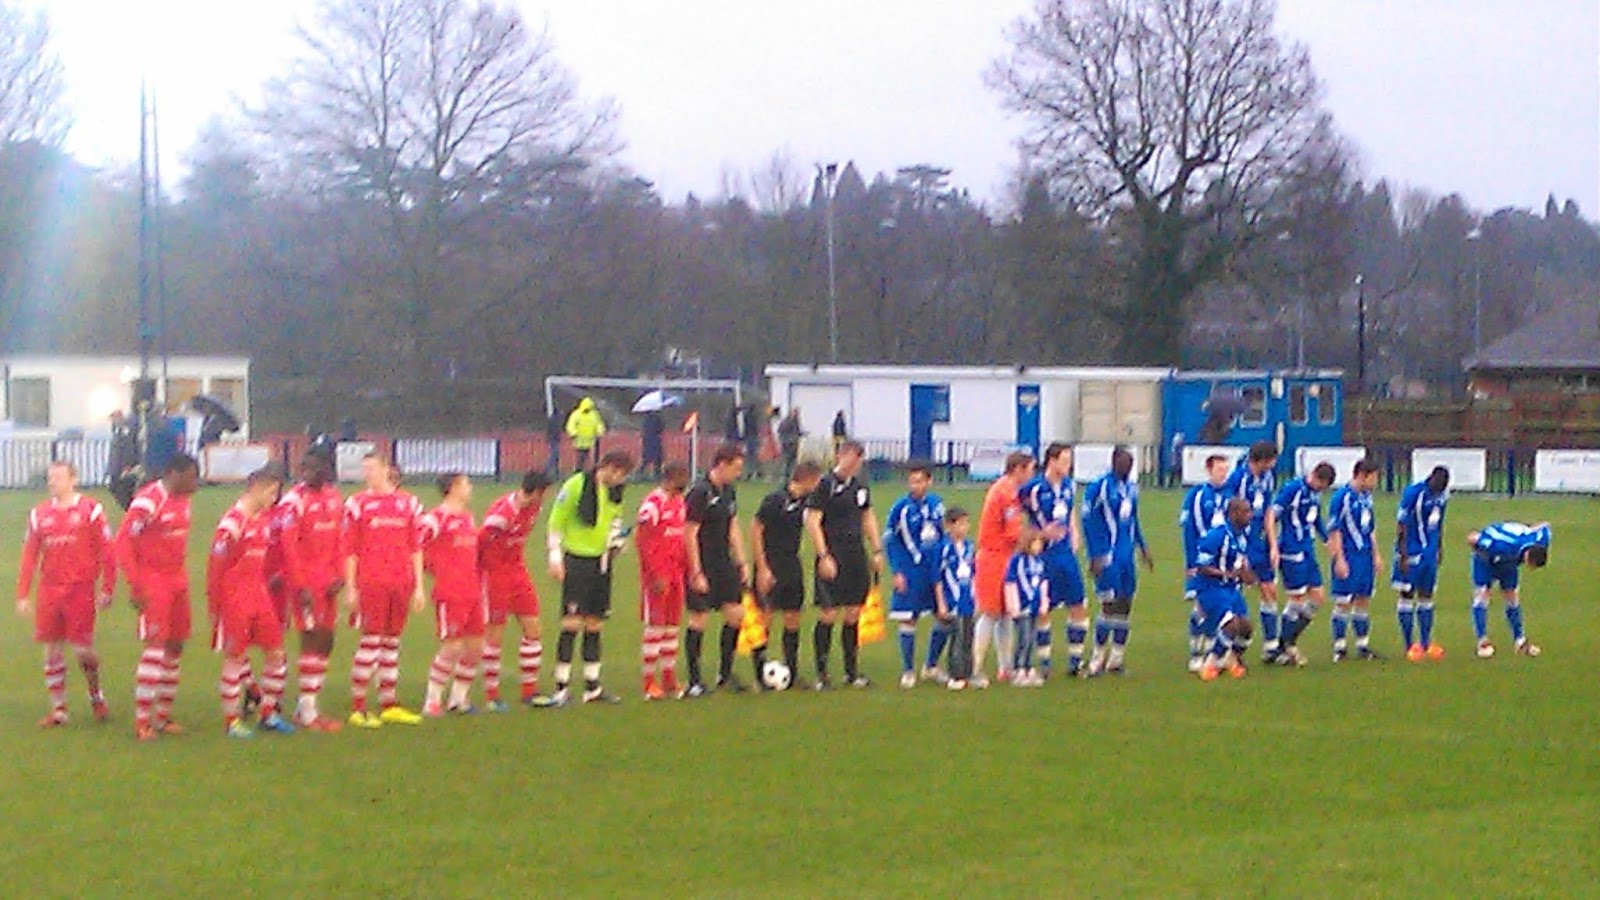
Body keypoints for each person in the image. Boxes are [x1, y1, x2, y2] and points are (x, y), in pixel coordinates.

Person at [16, 461, 115, 728]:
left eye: (58, 477)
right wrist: (22, 594)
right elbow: (29, 555)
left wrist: (108, 587)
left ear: (73, 479)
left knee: (83, 651)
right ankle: (59, 709)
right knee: (52, 649)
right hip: (49, 590)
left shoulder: (91, 510)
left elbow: (107, 550)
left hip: (80, 590)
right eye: (50, 478)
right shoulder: (39, 514)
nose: (52, 482)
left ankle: (96, 695)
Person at [116, 453, 200, 741]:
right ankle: (143, 722)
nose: (196, 483)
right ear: (175, 474)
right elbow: (123, 542)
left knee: (176, 646)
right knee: (156, 645)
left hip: (178, 580)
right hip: (154, 582)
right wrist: (136, 585)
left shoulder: (184, 500)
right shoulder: (149, 501)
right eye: (192, 477)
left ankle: (163, 717)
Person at [208, 467, 295, 738]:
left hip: (259, 594)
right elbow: (216, 567)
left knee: (277, 654)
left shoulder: (263, 519)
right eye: (271, 491)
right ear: (256, 488)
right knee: (235, 657)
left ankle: (268, 714)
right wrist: (215, 606)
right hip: (235, 598)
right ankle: (231, 721)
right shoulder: (232, 523)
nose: (274, 498)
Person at [545, 449, 636, 706]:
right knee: (571, 623)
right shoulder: (576, 484)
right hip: (577, 560)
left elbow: (614, 519)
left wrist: (617, 542)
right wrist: (555, 556)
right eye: (620, 474)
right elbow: (556, 521)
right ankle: (561, 687)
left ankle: (592, 687)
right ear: (609, 467)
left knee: (595, 623)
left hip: (601, 562)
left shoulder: (615, 491)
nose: (621, 480)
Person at [341, 454, 426, 728]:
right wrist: (351, 587)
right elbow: (350, 550)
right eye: (364, 469)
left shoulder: (409, 503)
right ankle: (358, 707)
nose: (367, 474)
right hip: (372, 582)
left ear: (386, 470)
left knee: (392, 642)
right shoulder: (357, 504)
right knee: (370, 642)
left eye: (371, 468)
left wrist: (419, 586)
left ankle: (389, 703)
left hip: (401, 582)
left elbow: (415, 547)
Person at [804, 440, 884, 689]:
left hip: (855, 555)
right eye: (852, 456)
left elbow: (867, 516)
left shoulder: (860, 487)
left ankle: (851, 671)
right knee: (828, 612)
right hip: (833, 554)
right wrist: (823, 555)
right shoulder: (825, 485)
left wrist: (876, 550)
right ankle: (822, 673)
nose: (856, 462)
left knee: (853, 612)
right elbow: (813, 521)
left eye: (859, 457)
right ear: (840, 455)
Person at [277, 449, 346, 731]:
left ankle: (308, 704)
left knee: (327, 639)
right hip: (306, 582)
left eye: (314, 469)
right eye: (304, 469)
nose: (308, 474)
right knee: (311, 637)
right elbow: (288, 547)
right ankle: (307, 712)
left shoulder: (334, 498)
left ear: (326, 469)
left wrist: (340, 574)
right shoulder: (293, 502)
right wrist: (299, 584)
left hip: (328, 580)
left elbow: (340, 539)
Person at [479, 470, 553, 709]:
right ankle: (492, 696)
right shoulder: (501, 516)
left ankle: (529, 692)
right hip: (495, 576)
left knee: (533, 628)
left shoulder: (534, 508)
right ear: (537, 492)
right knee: (495, 635)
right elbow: (479, 545)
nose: (547, 497)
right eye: (545, 492)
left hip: (518, 572)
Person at [683, 444, 752, 697]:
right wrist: (695, 571)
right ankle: (694, 680)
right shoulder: (699, 493)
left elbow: (732, 525)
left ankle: (725, 674)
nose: (738, 473)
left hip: (724, 561)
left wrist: (742, 561)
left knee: (736, 614)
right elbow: (689, 533)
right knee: (699, 618)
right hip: (702, 562)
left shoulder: (728, 491)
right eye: (736, 468)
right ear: (722, 464)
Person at [752, 462, 824, 690]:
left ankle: (792, 674)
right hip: (771, 564)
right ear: (807, 479)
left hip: (792, 564)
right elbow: (755, 530)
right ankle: (760, 676)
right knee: (765, 619)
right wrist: (762, 568)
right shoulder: (775, 500)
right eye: (816, 481)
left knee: (793, 617)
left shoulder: (804, 502)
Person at [1083, 446, 1154, 677]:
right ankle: (1096, 659)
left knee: (1125, 604)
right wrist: (1094, 555)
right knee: (1108, 605)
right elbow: (1087, 521)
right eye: (1125, 463)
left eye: (1131, 464)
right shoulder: (1099, 487)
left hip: (1126, 557)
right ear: (1114, 462)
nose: (1128, 468)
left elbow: (1134, 520)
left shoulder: (1132, 488)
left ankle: (1116, 660)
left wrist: (1143, 547)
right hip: (1107, 557)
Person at [1019, 443, 1086, 678]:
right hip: (1043, 557)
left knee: (1078, 604)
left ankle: (1075, 662)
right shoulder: (1033, 489)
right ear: (1052, 461)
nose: (1069, 466)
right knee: (1043, 608)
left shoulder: (1069, 485)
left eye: (1070, 461)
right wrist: (1039, 534)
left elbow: (1070, 511)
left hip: (1066, 555)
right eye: (1065, 461)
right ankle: (1044, 663)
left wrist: (1075, 532)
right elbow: (1018, 520)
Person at [420, 473, 484, 717]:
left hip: (473, 590)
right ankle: (432, 701)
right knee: (452, 647)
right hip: (450, 592)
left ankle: (459, 698)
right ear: (454, 487)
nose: (470, 488)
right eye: (466, 483)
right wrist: (434, 569)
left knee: (476, 646)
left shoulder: (467, 517)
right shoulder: (436, 518)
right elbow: (416, 546)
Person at [885, 462, 948, 688]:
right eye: (912, 481)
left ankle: (931, 665)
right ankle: (908, 670)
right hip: (910, 570)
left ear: (929, 481)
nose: (915, 486)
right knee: (908, 617)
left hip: (934, 568)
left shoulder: (937, 504)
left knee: (943, 615)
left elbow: (943, 533)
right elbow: (890, 540)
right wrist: (897, 571)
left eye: (919, 481)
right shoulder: (900, 508)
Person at [1267, 461, 1336, 666]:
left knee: (1318, 597)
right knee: (1296, 599)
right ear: (1314, 476)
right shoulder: (1292, 489)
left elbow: (1315, 519)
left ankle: (1287, 642)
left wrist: (1326, 539)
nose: (1320, 489)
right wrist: (1273, 545)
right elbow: (1272, 515)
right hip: (1291, 550)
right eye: (1320, 484)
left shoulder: (1316, 494)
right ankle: (1284, 647)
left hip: (1307, 549)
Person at [974, 452, 1034, 685]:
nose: (1031, 475)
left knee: (1005, 612)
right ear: (1018, 469)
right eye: (1030, 469)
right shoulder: (1007, 493)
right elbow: (1012, 534)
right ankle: (975, 666)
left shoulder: (1004, 489)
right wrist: (1040, 536)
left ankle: (1005, 667)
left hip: (1001, 556)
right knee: (990, 612)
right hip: (995, 557)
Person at [636, 462, 690, 699]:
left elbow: (680, 538)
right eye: (681, 477)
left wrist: (686, 568)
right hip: (658, 576)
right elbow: (643, 541)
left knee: (672, 626)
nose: (685, 482)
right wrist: (655, 573)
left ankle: (669, 678)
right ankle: (649, 683)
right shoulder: (653, 504)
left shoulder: (679, 502)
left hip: (676, 573)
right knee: (655, 628)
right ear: (669, 479)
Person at [1224, 441, 1281, 661]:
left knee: (1269, 589)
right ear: (1262, 460)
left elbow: (1268, 511)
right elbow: (1230, 513)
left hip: (1260, 542)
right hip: (1242, 542)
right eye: (1272, 460)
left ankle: (1271, 646)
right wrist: (1239, 549)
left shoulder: (1268, 477)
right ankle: (1227, 646)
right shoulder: (1238, 479)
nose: (1274, 464)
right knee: (1236, 592)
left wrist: (1273, 544)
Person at [1327, 458, 1384, 662]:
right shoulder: (1341, 497)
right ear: (1362, 475)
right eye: (1374, 477)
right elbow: (1334, 530)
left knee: (1363, 599)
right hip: (1348, 554)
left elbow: (1370, 528)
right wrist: (1339, 559)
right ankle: (1339, 648)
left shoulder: (1367, 497)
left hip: (1365, 556)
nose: (1376, 482)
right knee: (1343, 601)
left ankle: (1362, 646)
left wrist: (1376, 554)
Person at [1194, 498, 1257, 681]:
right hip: (1211, 588)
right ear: (1234, 514)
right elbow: (1201, 566)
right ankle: (1209, 663)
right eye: (1246, 512)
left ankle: (1230, 659)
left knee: (1246, 628)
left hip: (1231, 589)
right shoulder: (1217, 535)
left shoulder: (1242, 537)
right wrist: (1226, 574)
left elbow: (1242, 564)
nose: (1250, 516)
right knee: (1231, 625)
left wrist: (1248, 576)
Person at [1466, 521, 1550, 658]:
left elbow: (1545, 525)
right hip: (1486, 560)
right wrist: (1482, 550)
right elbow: (1472, 537)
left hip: (1509, 563)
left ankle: (1520, 641)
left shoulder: (1541, 539)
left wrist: (1527, 528)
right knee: (1482, 596)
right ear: (1528, 556)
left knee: (1512, 597)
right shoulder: (1502, 544)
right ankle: (1482, 641)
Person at [1393, 466, 1451, 662]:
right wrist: (1402, 554)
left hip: (1429, 552)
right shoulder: (1413, 493)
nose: (1439, 491)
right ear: (1430, 479)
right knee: (1407, 594)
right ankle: (1409, 645)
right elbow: (1401, 524)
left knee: (1427, 594)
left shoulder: (1442, 496)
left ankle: (1426, 642)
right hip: (1411, 550)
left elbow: (1439, 523)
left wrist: (1439, 547)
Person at [1179, 455, 1230, 671]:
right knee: (1201, 608)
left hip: (1224, 561)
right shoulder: (1197, 495)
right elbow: (1189, 530)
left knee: (1218, 608)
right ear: (1209, 470)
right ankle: (1196, 654)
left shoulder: (1230, 494)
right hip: (1203, 561)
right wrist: (1192, 562)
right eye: (1219, 469)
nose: (1223, 474)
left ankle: (1211, 653)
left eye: (1225, 469)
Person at [937, 507, 978, 690]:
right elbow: (937, 577)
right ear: (949, 526)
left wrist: (976, 596)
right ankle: (955, 674)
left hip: (968, 599)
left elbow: (974, 572)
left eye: (966, 523)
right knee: (958, 638)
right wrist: (941, 603)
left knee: (969, 637)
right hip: (952, 599)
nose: (964, 527)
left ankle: (969, 673)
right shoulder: (944, 548)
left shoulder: (970, 546)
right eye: (960, 524)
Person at [1003, 529, 1050, 687]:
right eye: (1035, 543)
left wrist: (1044, 603)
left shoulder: (1039, 562)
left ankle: (1028, 666)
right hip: (1021, 607)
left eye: (1040, 543)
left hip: (1034, 607)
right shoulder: (1017, 560)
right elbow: (1010, 583)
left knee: (1031, 638)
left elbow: (1043, 583)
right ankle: (1018, 668)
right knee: (1023, 638)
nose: (1038, 547)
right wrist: (1013, 606)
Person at [107, 410, 141, 510]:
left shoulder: (125, 430)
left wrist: (127, 465)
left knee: (121, 489)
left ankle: (132, 509)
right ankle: (131, 509)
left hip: (122, 467)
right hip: (116, 466)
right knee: (115, 487)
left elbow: (128, 448)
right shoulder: (117, 430)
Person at [565, 397, 606, 471]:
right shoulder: (577, 414)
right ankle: (578, 470)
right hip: (580, 441)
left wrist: (600, 431)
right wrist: (573, 433)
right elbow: (571, 425)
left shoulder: (594, 414)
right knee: (580, 458)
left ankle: (590, 471)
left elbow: (599, 424)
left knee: (591, 459)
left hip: (590, 441)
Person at [777, 408, 804, 480]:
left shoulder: (796, 422)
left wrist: (801, 434)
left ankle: (790, 476)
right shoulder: (786, 422)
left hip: (794, 445)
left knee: (792, 461)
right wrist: (788, 440)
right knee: (787, 461)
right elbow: (781, 432)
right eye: (796, 413)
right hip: (788, 445)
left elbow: (796, 432)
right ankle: (784, 476)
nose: (797, 415)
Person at [640, 409, 665, 480]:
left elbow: (644, 429)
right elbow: (661, 428)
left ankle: (640, 473)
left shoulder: (646, 419)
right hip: (656, 440)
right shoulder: (657, 418)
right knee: (657, 458)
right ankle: (657, 474)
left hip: (647, 440)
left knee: (646, 458)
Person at [545, 407, 565, 477]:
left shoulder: (552, 419)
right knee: (554, 455)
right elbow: (555, 430)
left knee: (555, 456)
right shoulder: (555, 420)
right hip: (554, 439)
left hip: (553, 439)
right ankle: (548, 469)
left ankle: (556, 472)